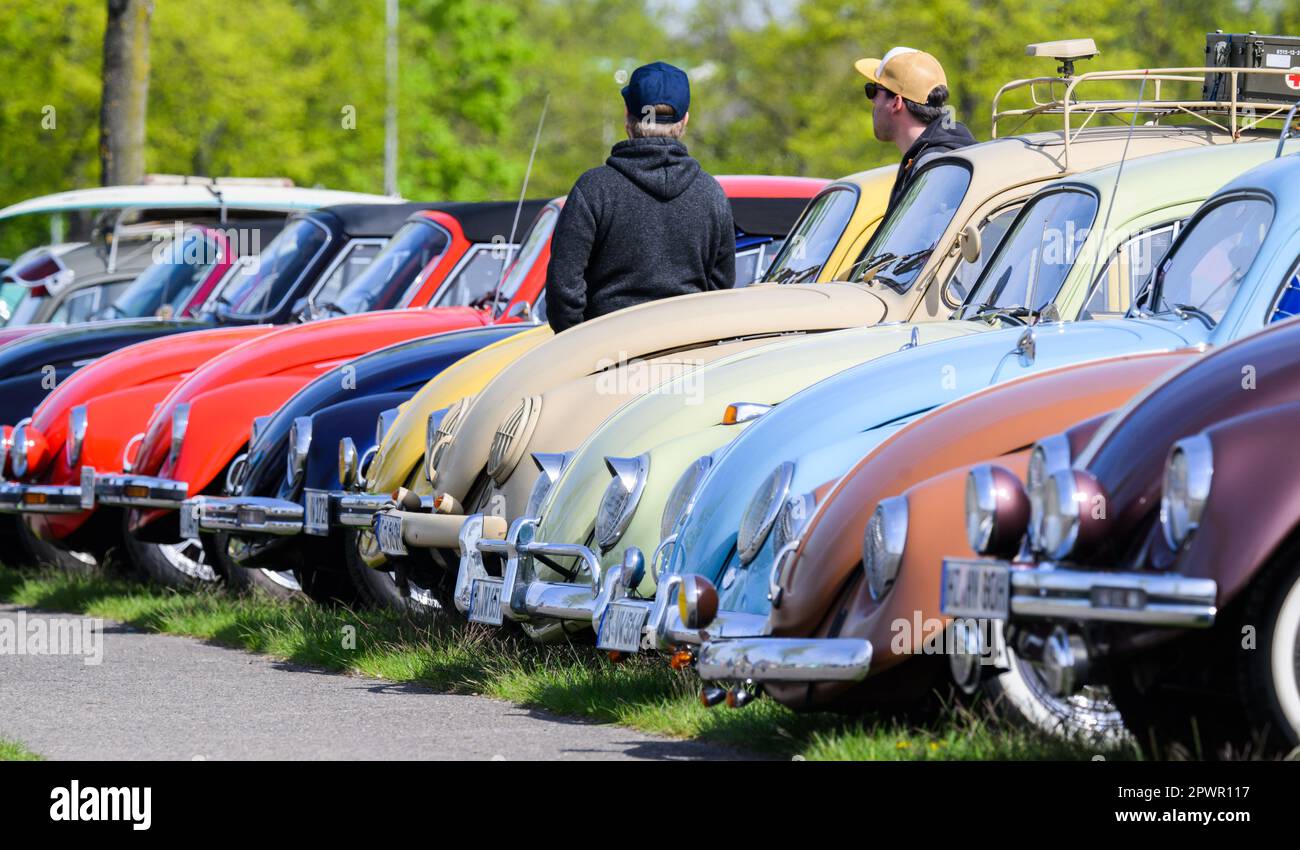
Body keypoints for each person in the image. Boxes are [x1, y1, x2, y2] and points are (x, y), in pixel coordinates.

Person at [545, 61, 735, 333]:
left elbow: (563, 288)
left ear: (627, 115)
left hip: (606, 351)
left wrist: (581, 344)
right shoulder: (711, 194)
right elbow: (721, 291)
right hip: (688, 351)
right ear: (684, 120)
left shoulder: (594, 189)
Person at [856, 47, 977, 215]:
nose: (872, 101)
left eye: (873, 91)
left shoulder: (933, 169)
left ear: (896, 103)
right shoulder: (941, 157)